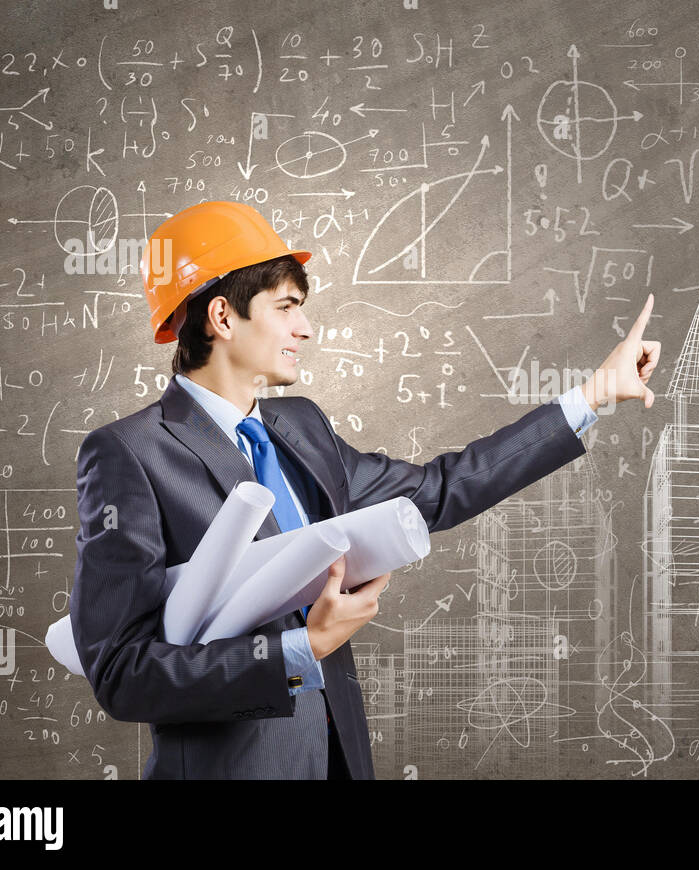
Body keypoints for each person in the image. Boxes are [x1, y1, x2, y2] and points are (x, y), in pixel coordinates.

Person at [70, 200, 660, 779]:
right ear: (223, 317)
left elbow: (441, 488)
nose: (305, 327)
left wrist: (592, 396)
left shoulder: (301, 427)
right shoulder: (129, 453)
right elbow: (122, 673)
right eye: (286, 308)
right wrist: (304, 647)